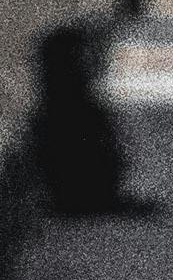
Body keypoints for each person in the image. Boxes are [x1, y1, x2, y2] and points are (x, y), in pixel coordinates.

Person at [28, 17, 159, 221]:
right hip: (83, 192)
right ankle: (89, 198)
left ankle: (87, 197)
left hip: (75, 192)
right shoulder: (75, 106)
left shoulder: (58, 105)